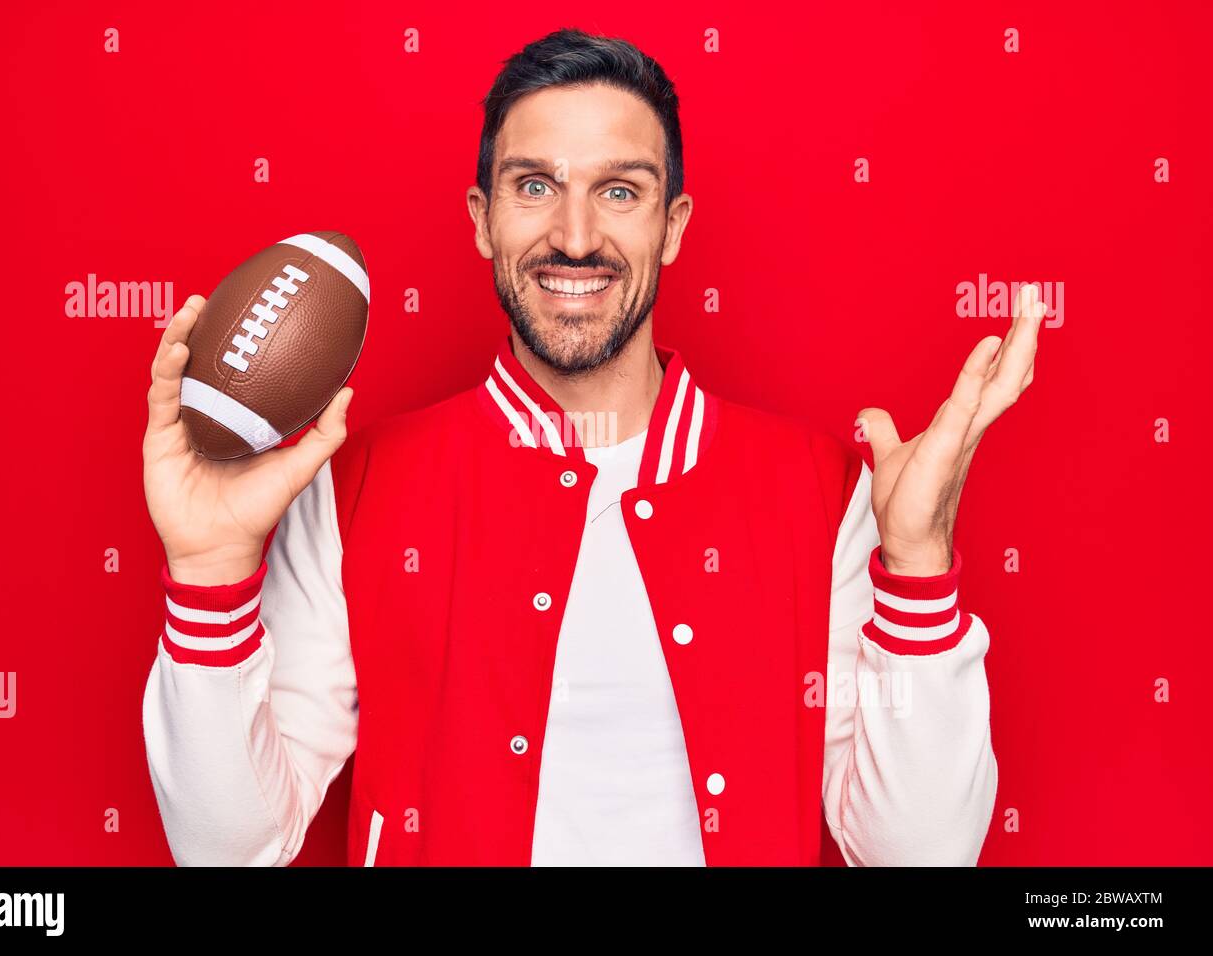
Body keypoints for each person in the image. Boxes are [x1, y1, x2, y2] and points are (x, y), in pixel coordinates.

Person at [141, 28, 1040, 866]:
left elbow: (919, 851)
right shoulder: (355, 489)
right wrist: (211, 571)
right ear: (482, 217)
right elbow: (229, 848)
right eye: (534, 185)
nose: (575, 238)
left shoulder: (824, 495)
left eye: (619, 191)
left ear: (674, 225)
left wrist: (917, 566)